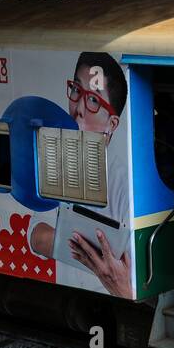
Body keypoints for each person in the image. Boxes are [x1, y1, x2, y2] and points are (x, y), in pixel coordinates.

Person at [30, 52, 134, 298]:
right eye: (77, 90)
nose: (78, 109)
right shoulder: (59, 159)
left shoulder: (125, 182)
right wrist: (96, 251)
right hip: (68, 293)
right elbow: (36, 236)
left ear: (113, 124)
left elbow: (129, 275)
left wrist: (67, 237)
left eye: (94, 101)